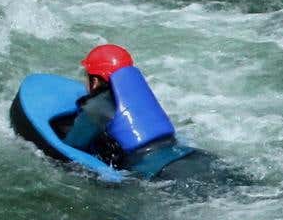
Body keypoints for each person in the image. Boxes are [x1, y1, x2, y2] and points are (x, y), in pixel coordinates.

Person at [63, 44, 205, 180]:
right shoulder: (140, 95)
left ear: (94, 81)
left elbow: (73, 144)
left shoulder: (98, 106)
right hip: (189, 155)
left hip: (156, 172)